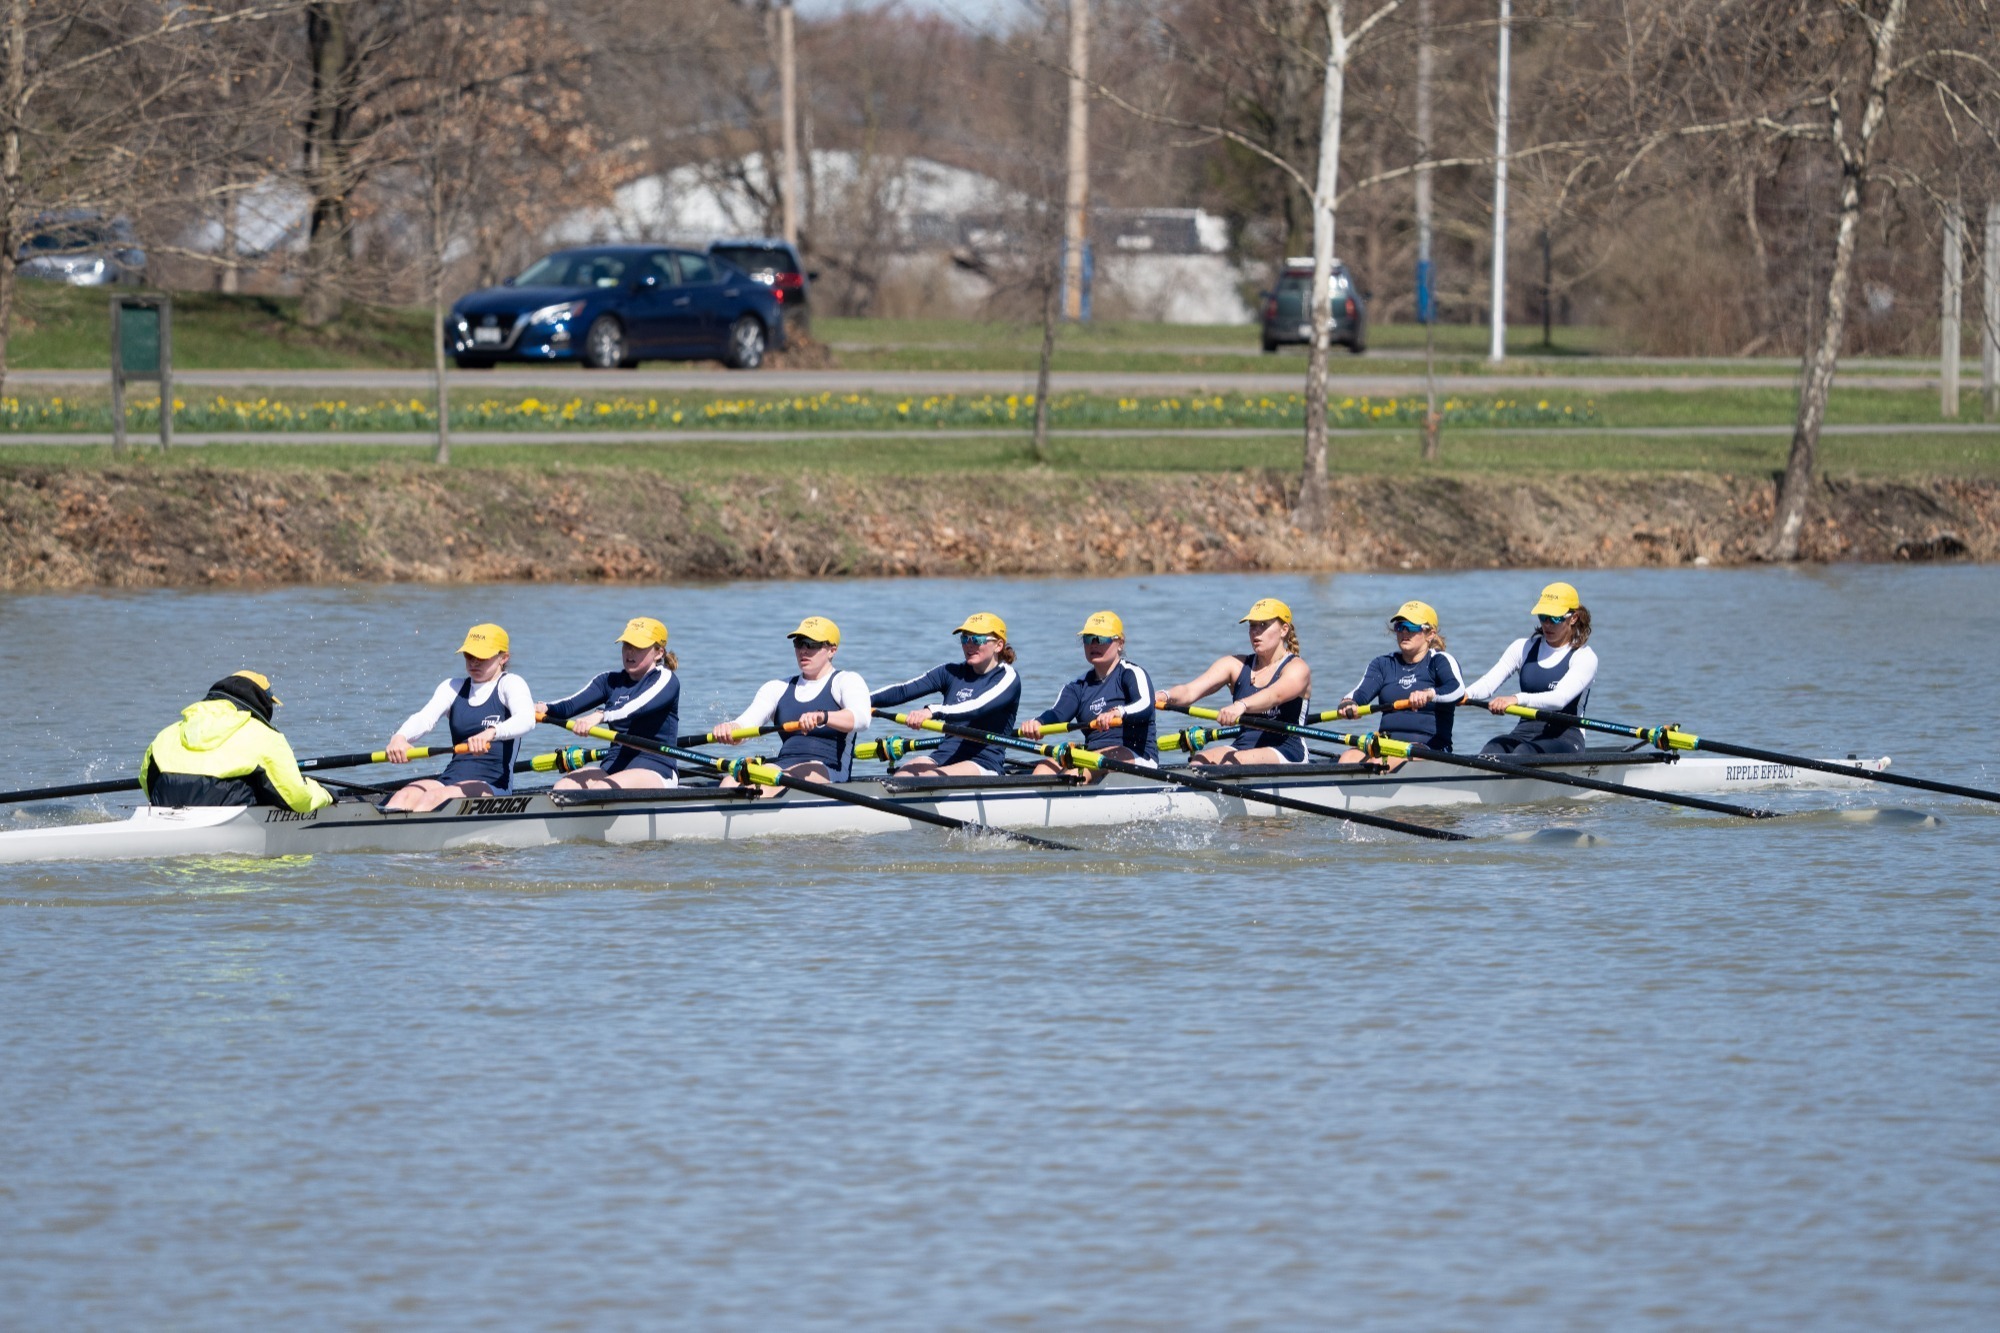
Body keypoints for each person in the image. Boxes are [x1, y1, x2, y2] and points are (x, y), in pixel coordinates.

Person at [383, 623, 537, 812]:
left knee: (432, 799)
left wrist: (492, 733)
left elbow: (527, 719)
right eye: (469, 655)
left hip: (491, 785)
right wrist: (400, 737)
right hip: (450, 779)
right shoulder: (452, 687)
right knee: (404, 796)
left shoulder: (511, 683)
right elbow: (425, 718)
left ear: (503, 658)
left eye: (482, 656)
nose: (474, 662)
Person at [140, 670, 333, 812]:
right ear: (261, 702)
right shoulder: (265, 736)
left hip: (166, 806)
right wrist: (326, 794)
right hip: (228, 821)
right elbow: (297, 798)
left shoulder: (168, 732)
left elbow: (146, 779)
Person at [715, 616, 871, 788]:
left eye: (811, 644)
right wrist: (731, 728)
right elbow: (746, 724)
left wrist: (823, 717)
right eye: (799, 643)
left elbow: (862, 719)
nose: (803, 650)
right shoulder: (777, 687)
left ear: (832, 650)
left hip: (828, 770)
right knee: (730, 781)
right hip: (783, 768)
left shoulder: (846, 680)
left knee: (778, 780)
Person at [1154, 598, 1312, 765]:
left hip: (1286, 750)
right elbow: (1190, 691)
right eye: (1252, 625)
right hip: (1242, 747)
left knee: (1232, 763)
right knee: (1198, 762)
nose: (1255, 632)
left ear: (1283, 630)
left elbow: (1275, 695)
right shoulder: (1234, 665)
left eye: (1264, 625)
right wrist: (1164, 695)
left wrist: (1241, 705)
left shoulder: (1297, 668)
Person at [537, 617, 681, 792]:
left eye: (638, 647)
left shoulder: (665, 679)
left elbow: (634, 708)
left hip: (655, 767)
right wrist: (544, 708)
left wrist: (600, 715)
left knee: (601, 789)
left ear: (659, 653)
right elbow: (568, 706)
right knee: (563, 786)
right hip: (614, 765)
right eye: (626, 645)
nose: (630, 652)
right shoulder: (609, 681)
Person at [870, 612, 1021, 776]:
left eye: (977, 639)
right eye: (965, 639)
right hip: (944, 755)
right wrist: (859, 701)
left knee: (927, 779)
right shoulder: (950, 672)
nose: (969, 645)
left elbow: (976, 707)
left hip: (983, 762)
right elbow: (903, 690)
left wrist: (932, 711)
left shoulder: (1008, 678)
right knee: (902, 775)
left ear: (998, 645)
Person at [1464, 581, 1599, 754]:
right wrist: (1464, 694)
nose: (1547, 624)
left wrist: (1516, 699)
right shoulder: (1523, 647)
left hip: (1565, 737)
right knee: (1492, 748)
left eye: (1555, 618)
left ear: (1573, 618)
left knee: (1524, 752)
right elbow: (1489, 682)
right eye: (1543, 616)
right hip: (1524, 732)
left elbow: (1560, 699)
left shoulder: (1584, 657)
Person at [1021, 610, 1157, 779]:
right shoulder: (1078, 686)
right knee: (1044, 767)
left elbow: (1146, 705)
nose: (1094, 644)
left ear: (1120, 643)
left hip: (1136, 755)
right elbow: (1057, 714)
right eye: (1088, 639)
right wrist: (1038, 723)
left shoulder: (1131, 673)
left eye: (1101, 639)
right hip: (1094, 757)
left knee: (1078, 771)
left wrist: (1118, 712)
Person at [1332, 600, 1465, 767]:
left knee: (1382, 762)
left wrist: (1430, 694)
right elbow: (1359, 694)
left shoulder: (1439, 661)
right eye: (1400, 626)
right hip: (1386, 745)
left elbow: (1457, 690)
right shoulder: (1384, 664)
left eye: (1411, 626)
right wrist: (1349, 703)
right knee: (1348, 758)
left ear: (1430, 634)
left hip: (1429, 749)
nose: (1404, 632)